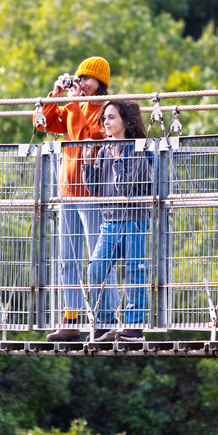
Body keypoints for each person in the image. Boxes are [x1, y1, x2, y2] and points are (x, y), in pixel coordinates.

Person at [37, 56, 120, 341]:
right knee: (67, 259)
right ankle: (70, 320)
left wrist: (71, 102)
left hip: (92, 192)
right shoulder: (75, 104)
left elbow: (92, 135)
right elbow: (43, 124)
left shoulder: (105, 110)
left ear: (100, 83)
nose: (82, 83)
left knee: (99, 260)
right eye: (79, 78)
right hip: (67, 192)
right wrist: (56, 94)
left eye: (87, 79)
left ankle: (107, 320)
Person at [81, 100, 152, 342]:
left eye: (111, 117)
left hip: (133, 219)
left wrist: (117, 156)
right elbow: (94, 187)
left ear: (126, 122)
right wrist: (88, 162)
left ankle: (134, 326)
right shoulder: (104, 150)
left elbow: (126, 188)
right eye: (104, 118)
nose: (105, 123)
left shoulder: (138, 150)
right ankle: (105, 321)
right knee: (96, 268)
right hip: (110, 220)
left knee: (134, 270)